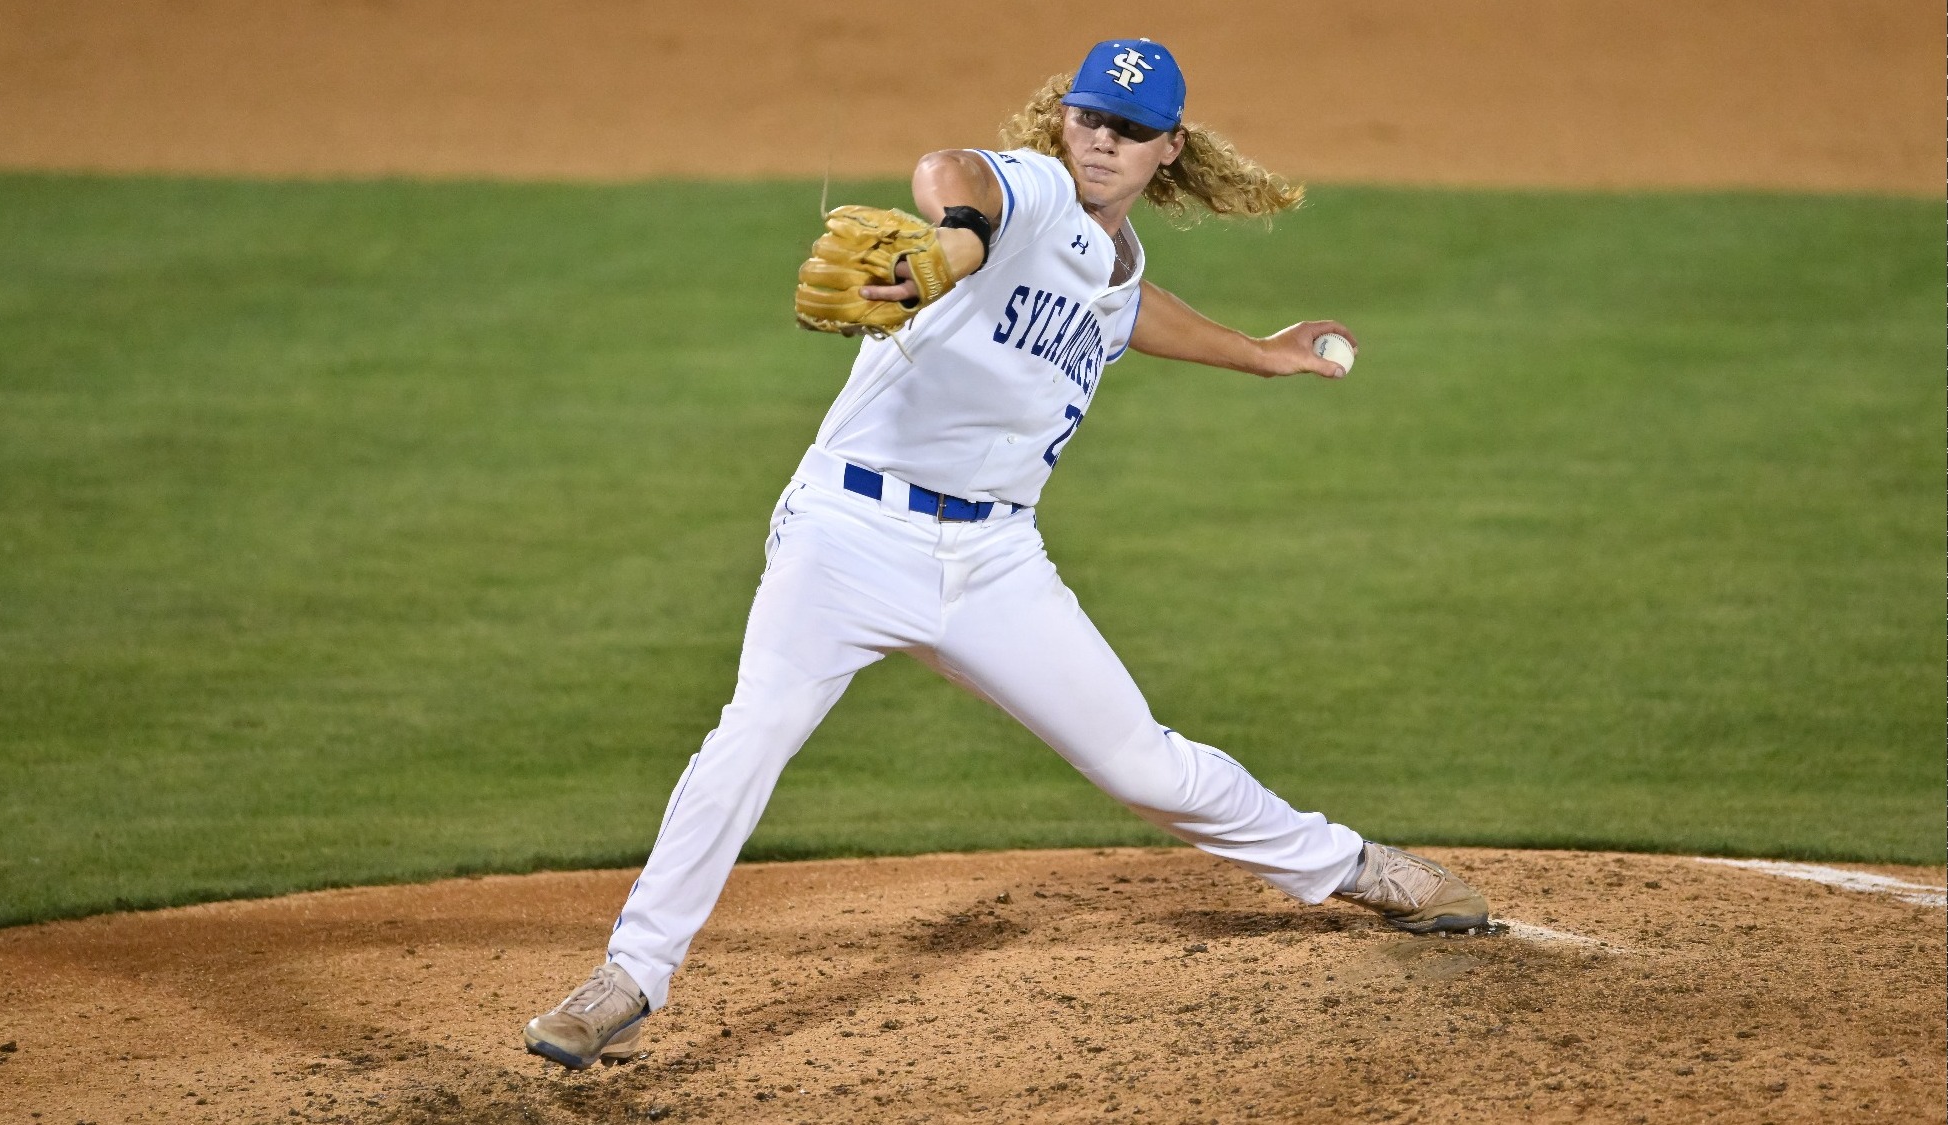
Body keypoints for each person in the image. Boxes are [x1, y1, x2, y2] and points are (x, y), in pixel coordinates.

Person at [523, 38, 1489, 1071]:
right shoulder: (1024, 190)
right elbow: (955, 170)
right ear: (1062, 121)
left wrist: (1260, 353)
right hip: (848, 535)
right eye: (1088, 120)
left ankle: (1357, 867)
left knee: (1139, 762)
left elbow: (1121, 309)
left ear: (1168, 150)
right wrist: (952, 241)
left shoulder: (1115, 260)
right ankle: (627, 979)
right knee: (748, 738)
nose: (1102, 144)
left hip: (993, 561)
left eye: (1128, 131)